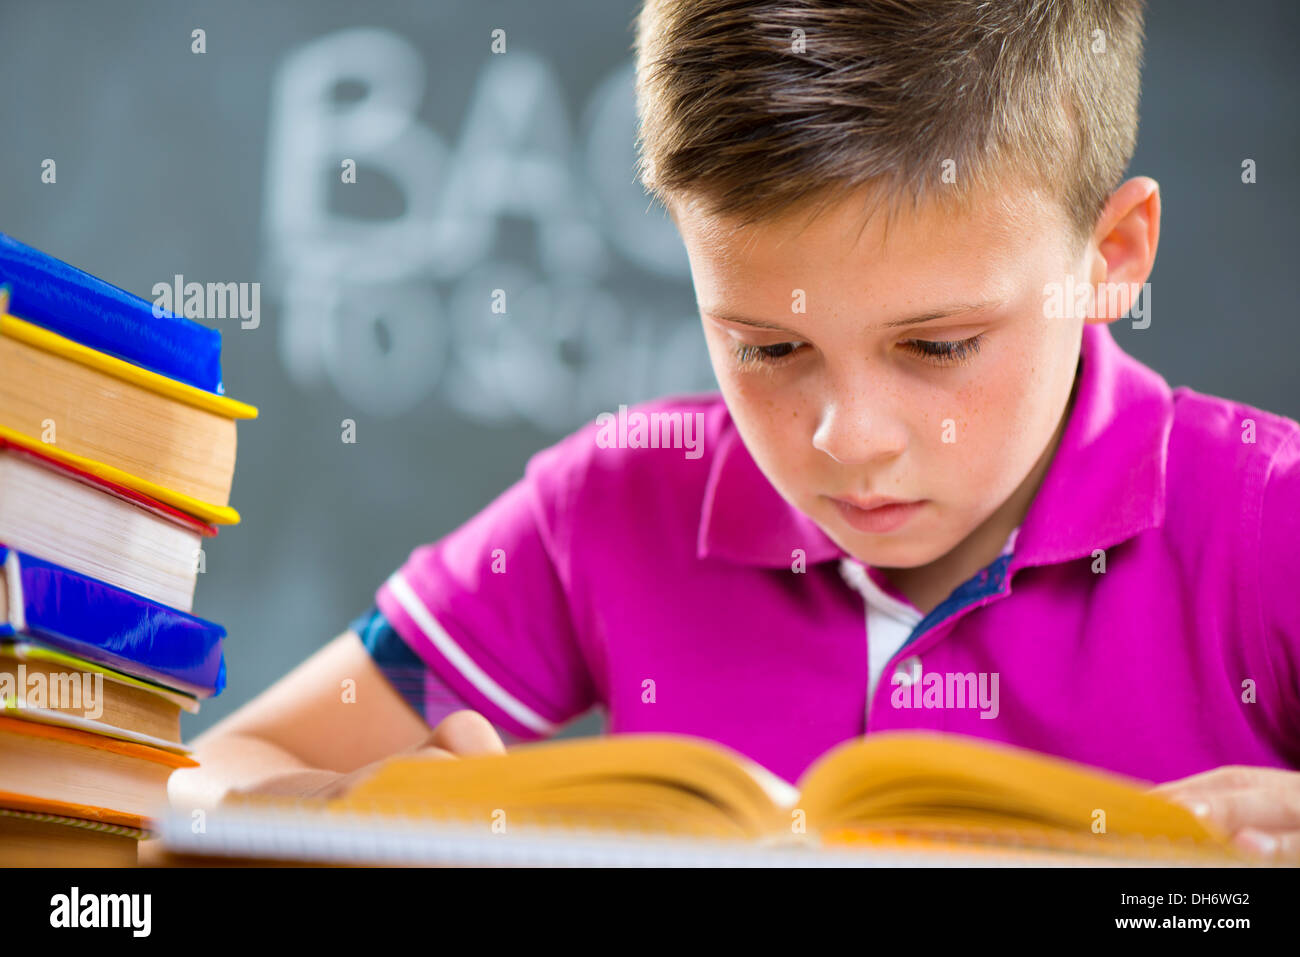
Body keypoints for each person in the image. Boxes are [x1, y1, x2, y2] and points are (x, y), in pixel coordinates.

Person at [169, 0, 1300, 861]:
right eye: (767, 348)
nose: (847, 439)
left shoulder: (1271, 525)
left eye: (941, 346)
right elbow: (215, 772)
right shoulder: (608, 507)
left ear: (1111, 260)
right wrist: (362, 819)